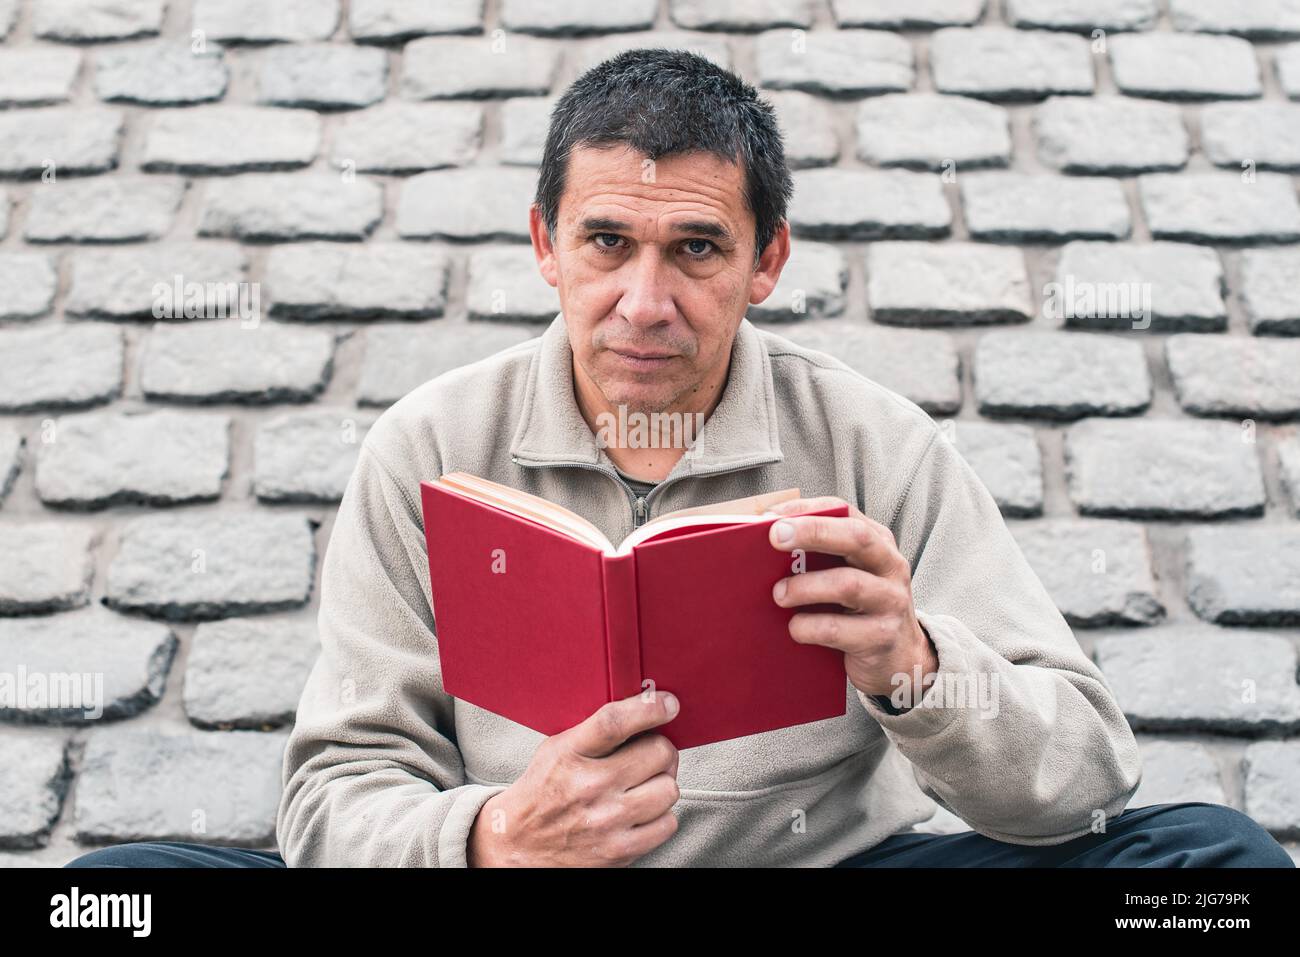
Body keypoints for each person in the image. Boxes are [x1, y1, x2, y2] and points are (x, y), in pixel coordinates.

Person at [67, 49, 1293, 869]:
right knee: (107, 897)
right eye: (606, 243)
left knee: (1211, 874)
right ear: (546, 244)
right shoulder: (426, 449)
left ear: (767, 262)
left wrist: (915, 665)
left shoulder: (876, 444)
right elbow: (332, 799)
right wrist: (494, 838)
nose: (643, 303)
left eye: (697, 251)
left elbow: (1083, 781)